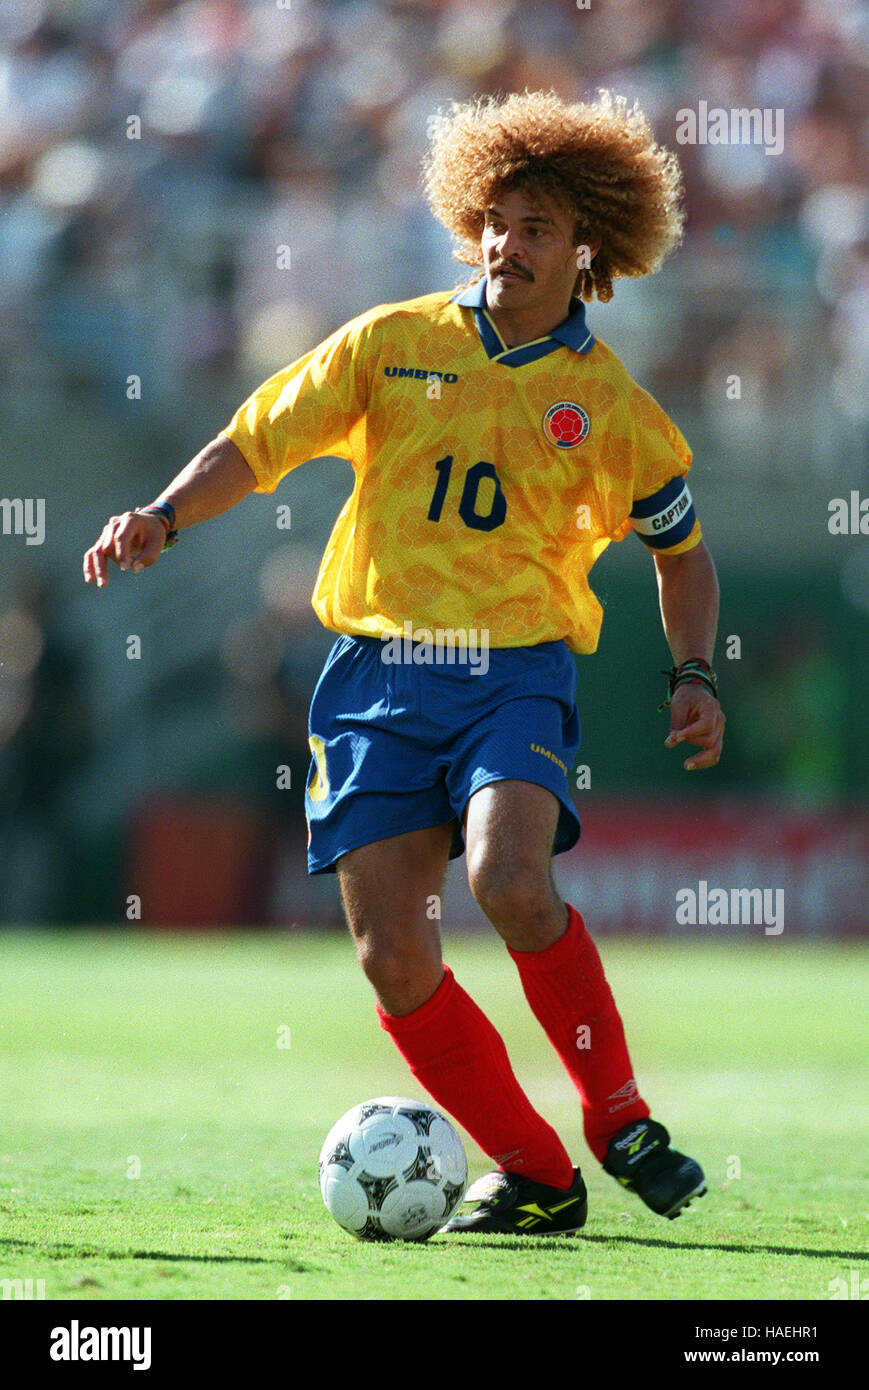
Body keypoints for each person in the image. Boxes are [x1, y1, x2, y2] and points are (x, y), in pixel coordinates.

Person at [84, 90, 725, 1236]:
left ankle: (618, 1115)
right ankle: (536, 1175)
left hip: (513, 671)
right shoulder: (391, 343)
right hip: (376, 677)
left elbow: (682, 556)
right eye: (494, 219)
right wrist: (162, 516)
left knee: (509, 879)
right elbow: (254, 442)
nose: (505, 243)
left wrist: (692, 674)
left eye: (535, 227)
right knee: (390, 957)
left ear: (586, 249)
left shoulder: (614, 409)